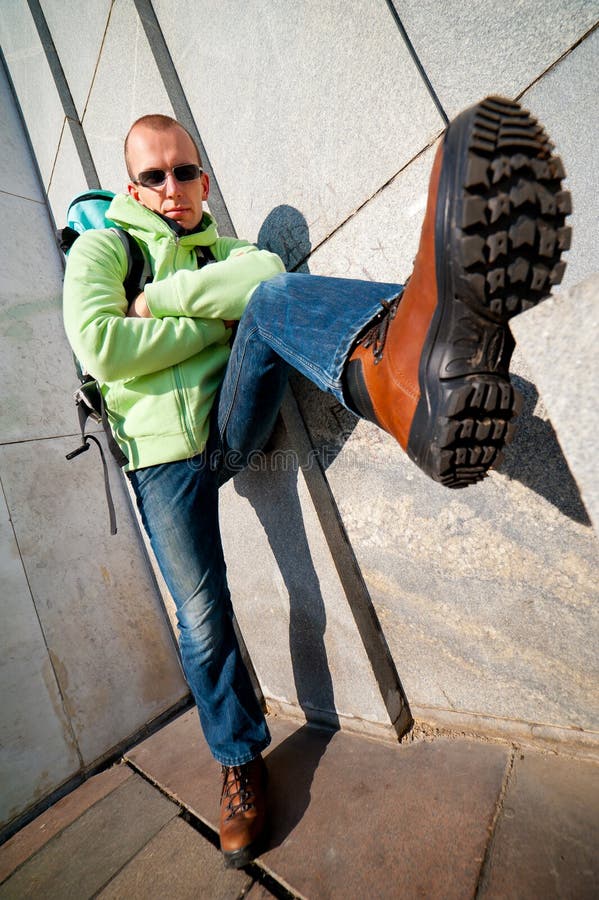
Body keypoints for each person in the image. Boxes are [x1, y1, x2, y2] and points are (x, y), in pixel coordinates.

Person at [63, 97, 570, 868]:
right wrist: (213, 321)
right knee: (201, 615)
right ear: (131, 189)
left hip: (229, 425)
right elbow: (102, 346)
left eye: (184, 172)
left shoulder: (226, 249)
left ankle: (408, 363)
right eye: (154, 177)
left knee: (271, 298)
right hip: (161, 460)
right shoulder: (103, 250)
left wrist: (159, 303)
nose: (172, 189)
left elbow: (265, 275)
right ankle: (238, 760)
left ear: (203, 179)